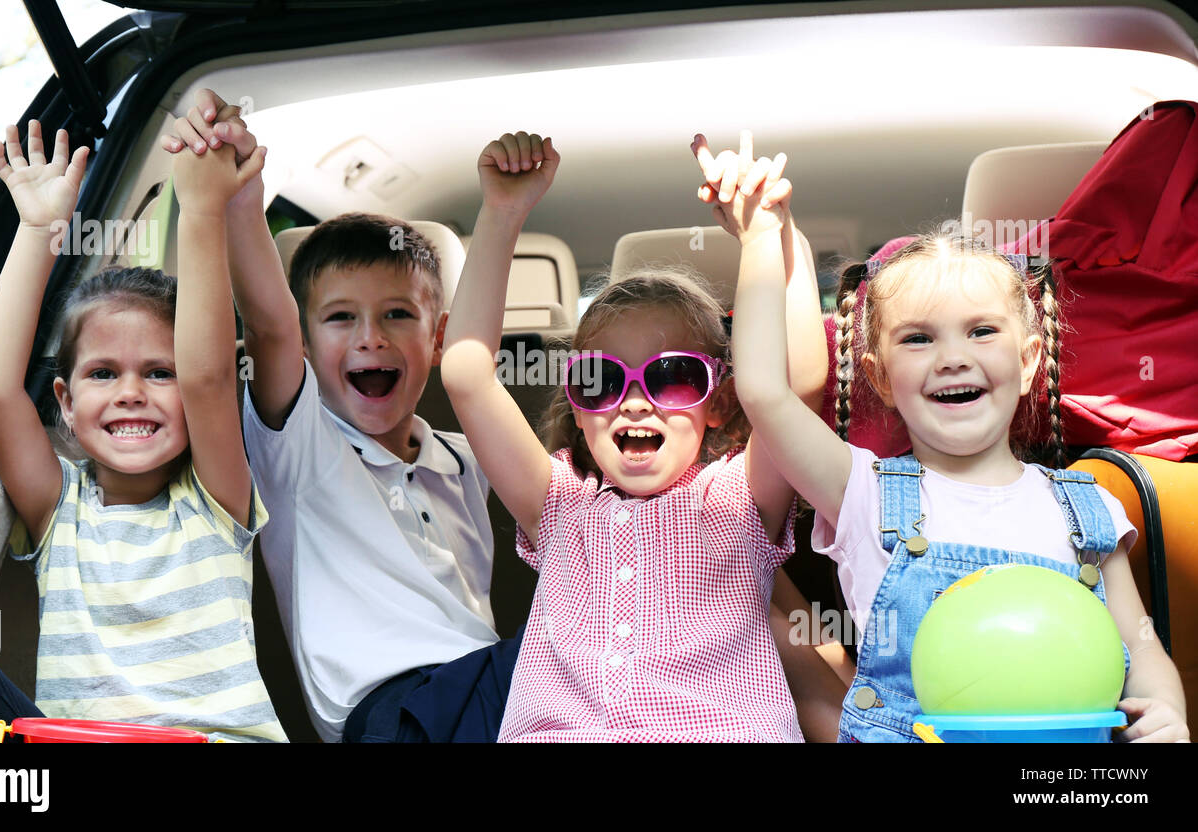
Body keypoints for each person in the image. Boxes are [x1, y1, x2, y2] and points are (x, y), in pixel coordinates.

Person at [704, 132, 1190, 742]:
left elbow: (1140, 648)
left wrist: (1166, 713)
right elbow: (766, 392)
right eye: (918, 338)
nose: (952, 358)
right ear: (879, 378)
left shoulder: (1089, 507)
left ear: (1030, 359)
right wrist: (762, 239)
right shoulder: (864, 490)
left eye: (981, 331)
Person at [0, 120, 285, 742]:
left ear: (188, 393)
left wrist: (203, 212)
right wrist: (36, 229)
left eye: (161, 373)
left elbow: (212, 377)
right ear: (66, 403)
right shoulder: (61, 511)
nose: (131, 392)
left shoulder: (215, 500)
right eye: (103, 373)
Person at [440, 130, 829, 741]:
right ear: (576, 401)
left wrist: (770, 237)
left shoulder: (738, 502)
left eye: (673, 377)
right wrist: (502, 213)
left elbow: (797, 383)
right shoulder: (557, 501)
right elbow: (465, 373)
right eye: (600, 380)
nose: (633, 403)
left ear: (721, 401)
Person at [163, 93, 520, 743]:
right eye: (339, 318)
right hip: (396, 711)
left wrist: (502, 211)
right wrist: (243, 200)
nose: (370, 339)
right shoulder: (299, 446)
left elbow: (481, 371)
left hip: (491, 695)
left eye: (397, 315)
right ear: (304, 346)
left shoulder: (466, 456)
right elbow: (269, 328)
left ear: (438, 339)